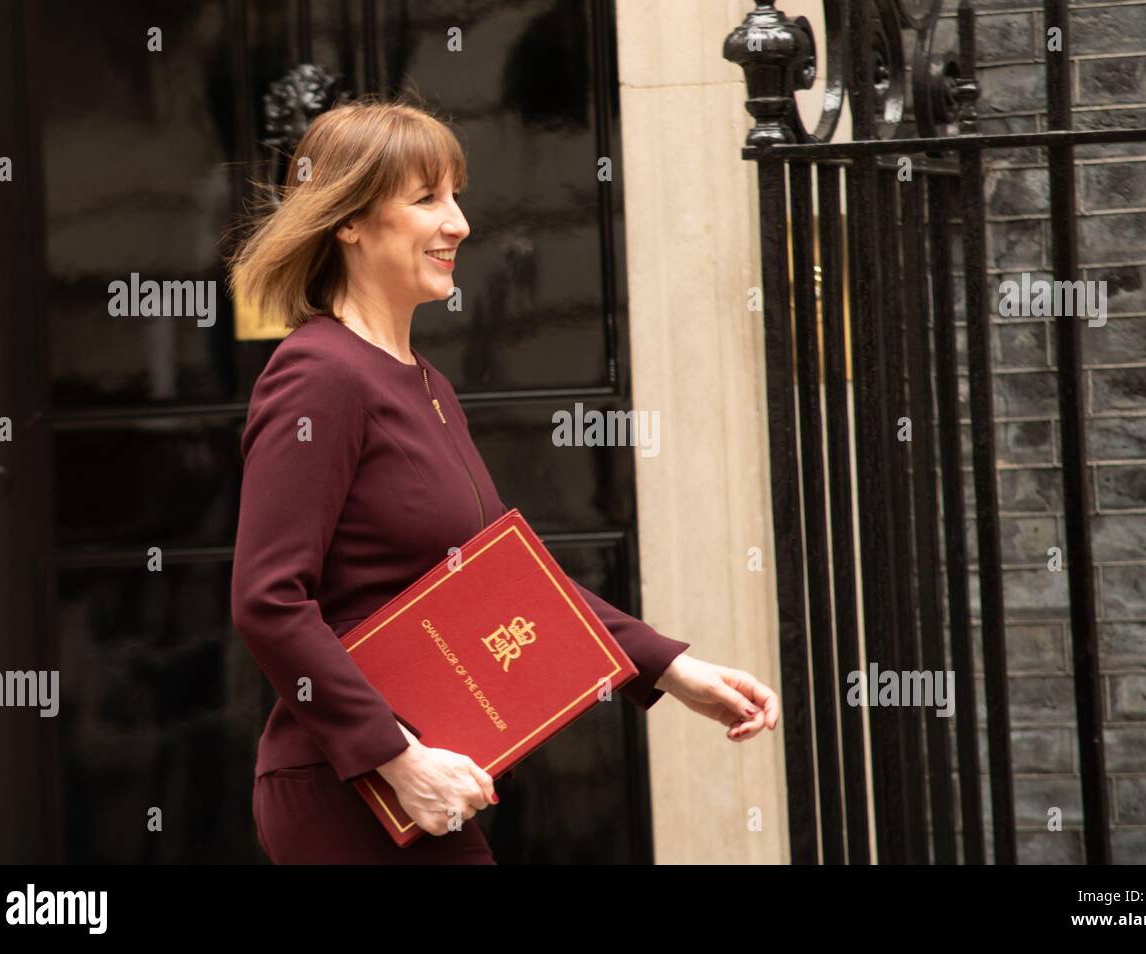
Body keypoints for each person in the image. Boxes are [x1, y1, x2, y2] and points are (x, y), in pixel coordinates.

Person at [227, 95, 780, 864]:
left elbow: (505, 578)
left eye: (456, 196)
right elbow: (267, 599)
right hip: (348, 786)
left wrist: (668, 667)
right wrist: (393, 755)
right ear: (348, 221)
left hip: (419, 781)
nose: (459, 222)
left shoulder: (424, 384)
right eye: (427, 199)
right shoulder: (320, 375)